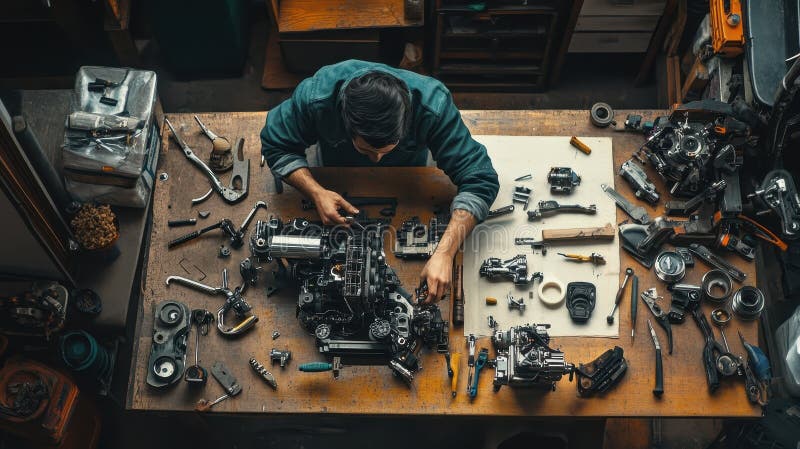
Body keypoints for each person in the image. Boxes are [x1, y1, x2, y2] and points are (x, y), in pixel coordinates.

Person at [260, 60, 499, 302]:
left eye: (387, 150)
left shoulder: (433, 106)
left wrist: (445, 253)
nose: (376, 160)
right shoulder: (317, 99)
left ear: (407, 124)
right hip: (336, 172)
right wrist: (316, 192)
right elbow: (275, 144)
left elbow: (481, 179)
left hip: (408, 176)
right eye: (365, 150)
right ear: (345, 123)